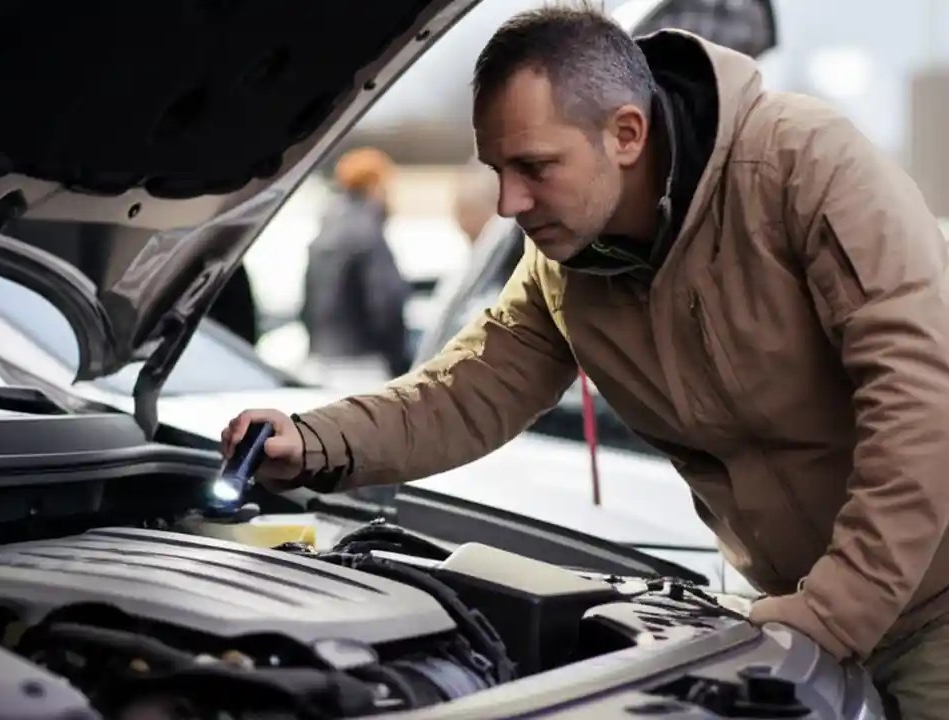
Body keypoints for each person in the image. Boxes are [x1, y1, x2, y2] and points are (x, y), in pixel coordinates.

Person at [223, 6, 949, 717]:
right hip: (791, 611)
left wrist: (828, 615)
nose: (509, 201)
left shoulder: (803, 166)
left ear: (626, 133)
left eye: (534, 166)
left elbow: (922, 402)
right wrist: (312, 437)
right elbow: (464, 391)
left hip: (932, 605)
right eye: (498, 168)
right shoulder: (564, 264)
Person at [300, 146, 412, 385]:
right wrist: (400, 361)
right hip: (363, 366)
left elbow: (308, 305)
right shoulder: (368, 235)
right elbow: (385, 304)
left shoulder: (324, 232)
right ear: (374, 186)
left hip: (321, 362)